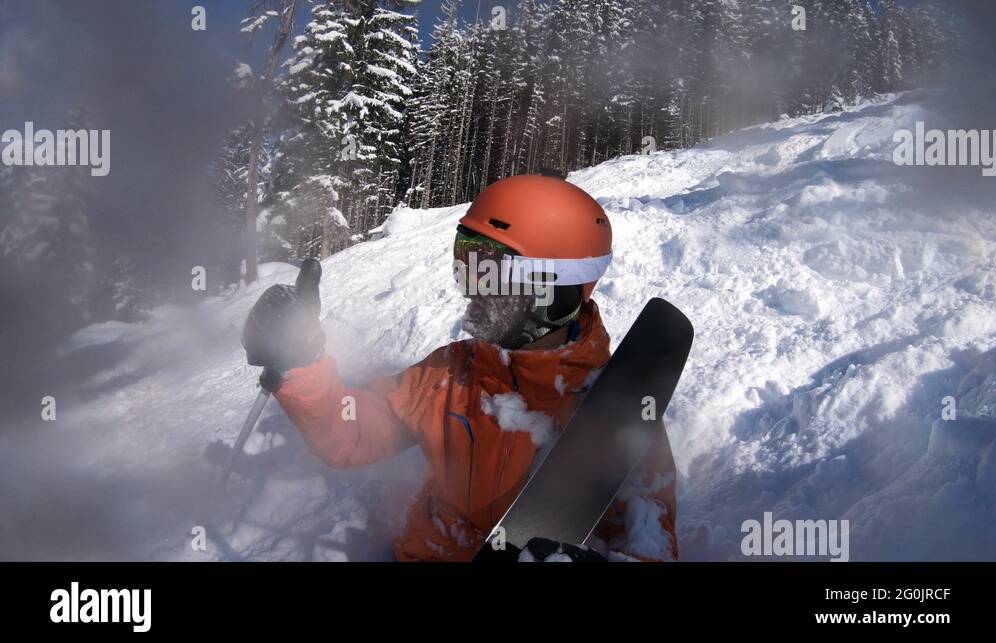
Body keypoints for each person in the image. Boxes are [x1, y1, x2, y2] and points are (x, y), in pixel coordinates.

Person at [241, 174, 679, 562]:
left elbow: (649, 542)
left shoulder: (617, 409)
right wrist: (300, 363)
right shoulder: (450, 372)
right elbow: (350, 434)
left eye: (492, 274)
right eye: (468, 267)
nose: (474, 291)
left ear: (555, 289)